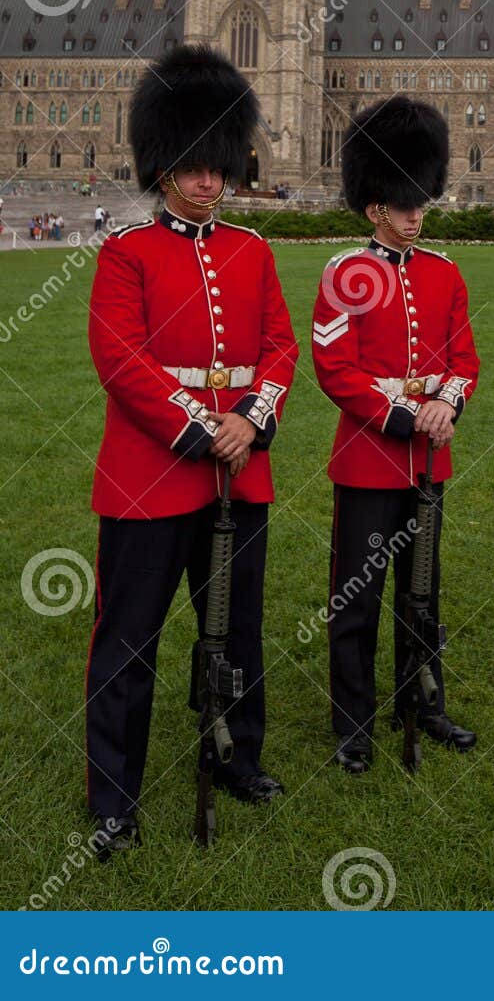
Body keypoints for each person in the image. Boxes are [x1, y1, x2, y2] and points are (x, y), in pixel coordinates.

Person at [84, 44, 298, 858]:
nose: (207, 181)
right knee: (128, 641)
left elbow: (279, 348)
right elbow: (121, 361)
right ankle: (114, 795)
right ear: (162, 167)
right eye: (191, 167)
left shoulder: (253, 251)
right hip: (149, 482)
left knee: (236, 630)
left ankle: (238, 754)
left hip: (241, 477)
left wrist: (251, 419)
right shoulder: (126, 254)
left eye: (218, 166)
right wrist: (200, 426)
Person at [311, 95, 480, 774]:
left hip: (427, 465)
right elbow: (335, 368)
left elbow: (464, 359)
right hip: (367, 463)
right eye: (403, 201)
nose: (417, 211)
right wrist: (408, 416)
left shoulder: (443, 272)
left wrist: (446, 404)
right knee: (357, 598)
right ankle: (352, 720)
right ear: (374, 206)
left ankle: (423, 699)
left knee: (422, 591)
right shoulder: (345, 274)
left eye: (421, 199)